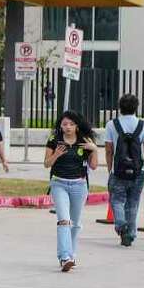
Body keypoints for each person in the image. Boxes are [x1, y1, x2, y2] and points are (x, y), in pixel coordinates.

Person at [43, 111, 98, 272]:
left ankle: (71, 254)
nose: (67, 127)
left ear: (77, 126)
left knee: (75, 223)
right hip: (59, 183)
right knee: (64, 220)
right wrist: (56, 155)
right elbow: (46, 164)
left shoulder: (84, 141)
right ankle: (65, 257)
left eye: (71, 124)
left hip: (79, 185)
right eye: (64, 124)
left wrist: (94, 149)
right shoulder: (54, 140)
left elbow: (94, 166)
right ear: (60, 125)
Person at [103, 93, 144, 246]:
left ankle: (121, 224)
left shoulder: (111, 125)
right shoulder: (143, 126)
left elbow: (109, 150)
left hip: (118, 171)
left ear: (120, 108)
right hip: (137, 172)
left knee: (117, 200)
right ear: (136, 107)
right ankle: (131, 234)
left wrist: (110, 169)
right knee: (133, 203)